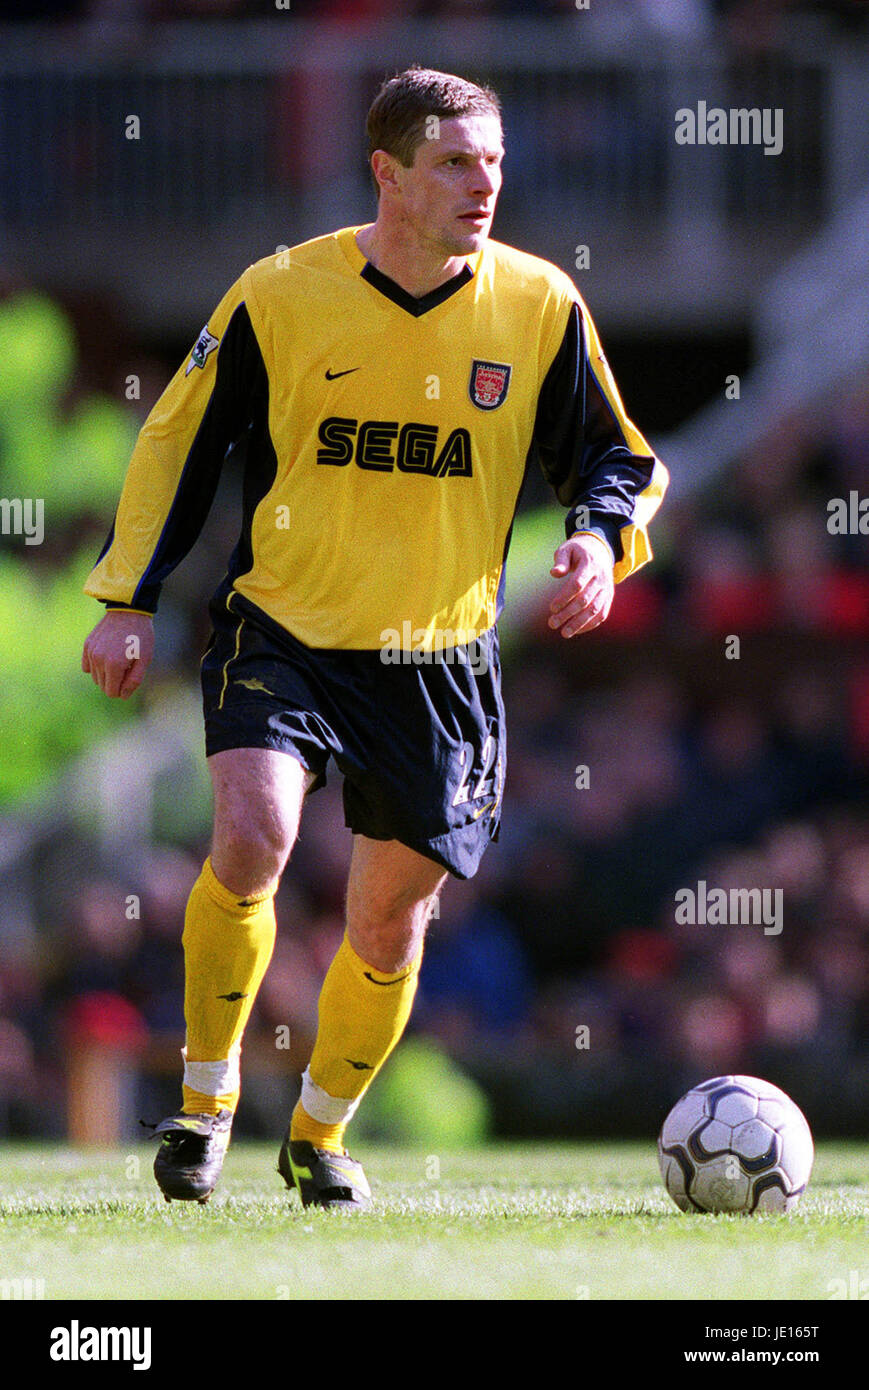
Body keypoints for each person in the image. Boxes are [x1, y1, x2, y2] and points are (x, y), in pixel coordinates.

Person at [81, 66, 668, 1209]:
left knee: (389, 915)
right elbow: (177, 440)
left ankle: (318, 1133)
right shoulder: (280, 292)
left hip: (439, 660)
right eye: (454, 161)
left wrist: (598, 540)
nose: (483, 182)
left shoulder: (539, 303)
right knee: (251, 838)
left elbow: (621, 458)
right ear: (386, 173)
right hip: (285, 629)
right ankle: (204, 1108)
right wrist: (126, 598)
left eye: (494, 160)